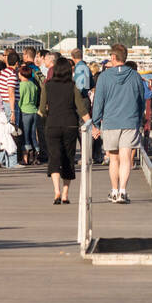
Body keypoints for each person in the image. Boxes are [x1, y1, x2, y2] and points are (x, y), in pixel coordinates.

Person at [89, 44, 145, 204]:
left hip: (111, 122)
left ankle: (114, 191)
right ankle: (123, 191)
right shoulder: (135, 76)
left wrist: (96, 123)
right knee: (126, 158)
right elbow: (141, 100)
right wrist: (139, 118)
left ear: (113, 57)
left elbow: (98, 102)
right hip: (129, 121)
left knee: (113, 159)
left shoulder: (104, 77)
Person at [39, 56, 90, 204]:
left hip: (52, 124)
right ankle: (66, 193)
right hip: (70, 125)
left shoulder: (47, 86)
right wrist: (92, 126)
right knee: (68, 158)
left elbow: (42, 110)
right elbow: (81, 109)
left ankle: (56, 192)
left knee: (54, 158)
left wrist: (47, 118)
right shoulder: (72, 86)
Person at [16, 65, 40, 166]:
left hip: (24, 111)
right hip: (34, 111)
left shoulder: (21, 85)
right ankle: (37, 154)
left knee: (25, 136)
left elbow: (19, 101)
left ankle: (26, 158)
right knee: (33, 135)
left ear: (21, 74)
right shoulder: (33, 85)